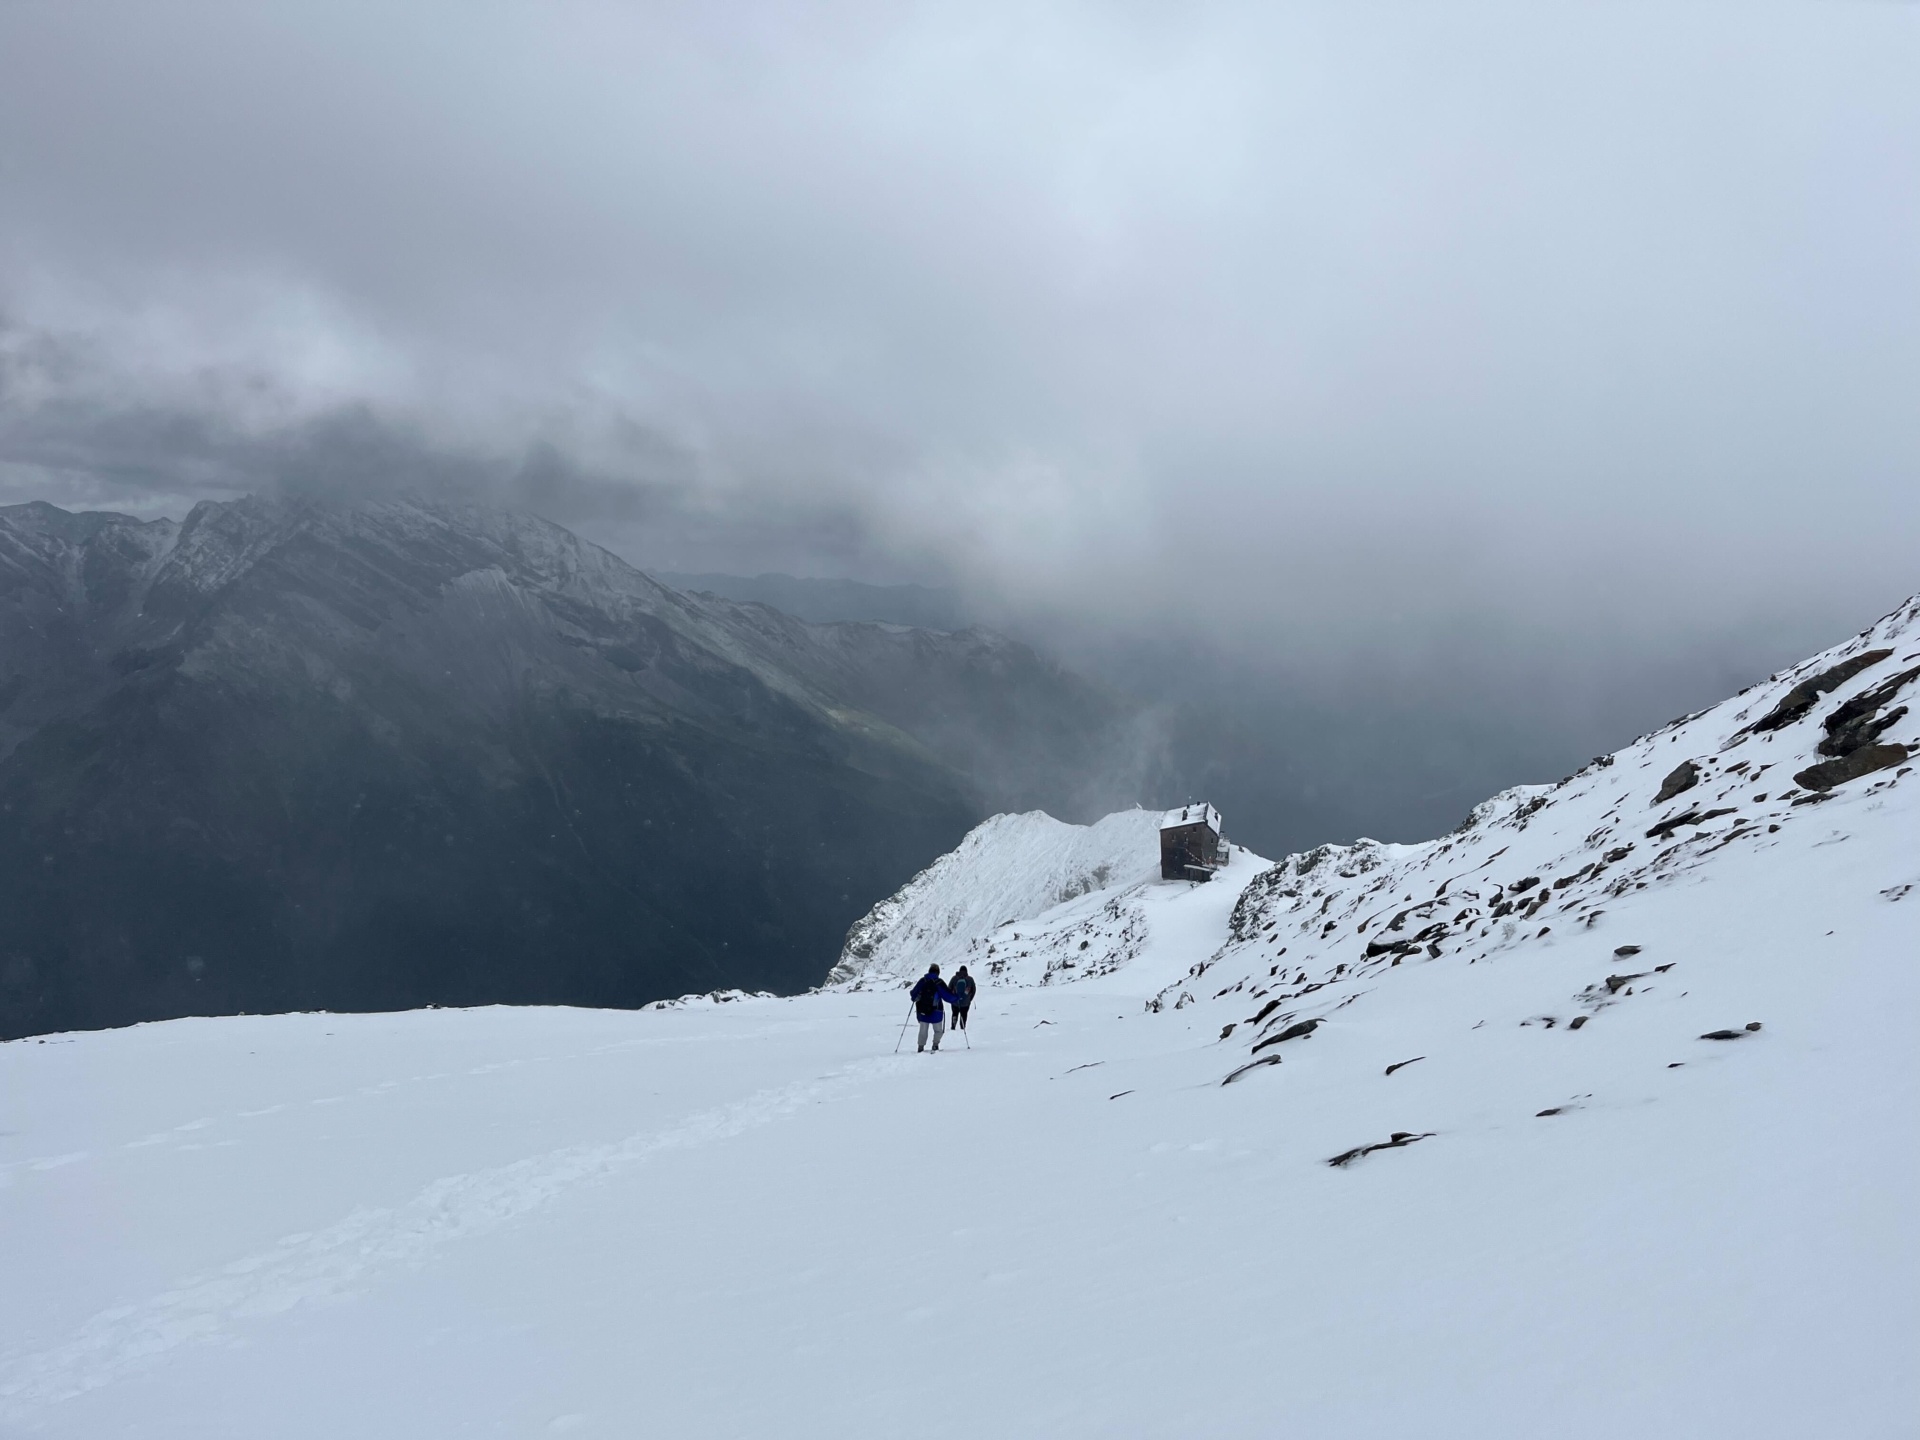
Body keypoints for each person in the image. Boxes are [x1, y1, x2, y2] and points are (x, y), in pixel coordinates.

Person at [910, 964, 958, 1053]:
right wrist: (957, 998)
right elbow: (947, 996)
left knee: (923, 1030)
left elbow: (913, 994)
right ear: (938, 972)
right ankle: (935, 1045)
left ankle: (921, 1047)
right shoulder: (938, 982)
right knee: (938, 1030)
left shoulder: (922, 981)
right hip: (936, 1011)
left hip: (922, 1011)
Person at [949, 965, 976, 1032]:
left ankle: (953, 1026)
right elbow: (973, 990)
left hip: (955, 1002)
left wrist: (952, 998)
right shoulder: (970, 979)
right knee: (964, 1014)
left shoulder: (954, 978)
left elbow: (949, 988)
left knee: (955, 1013)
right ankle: (962, 1027)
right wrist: (969, 999)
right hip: (965, 1003)